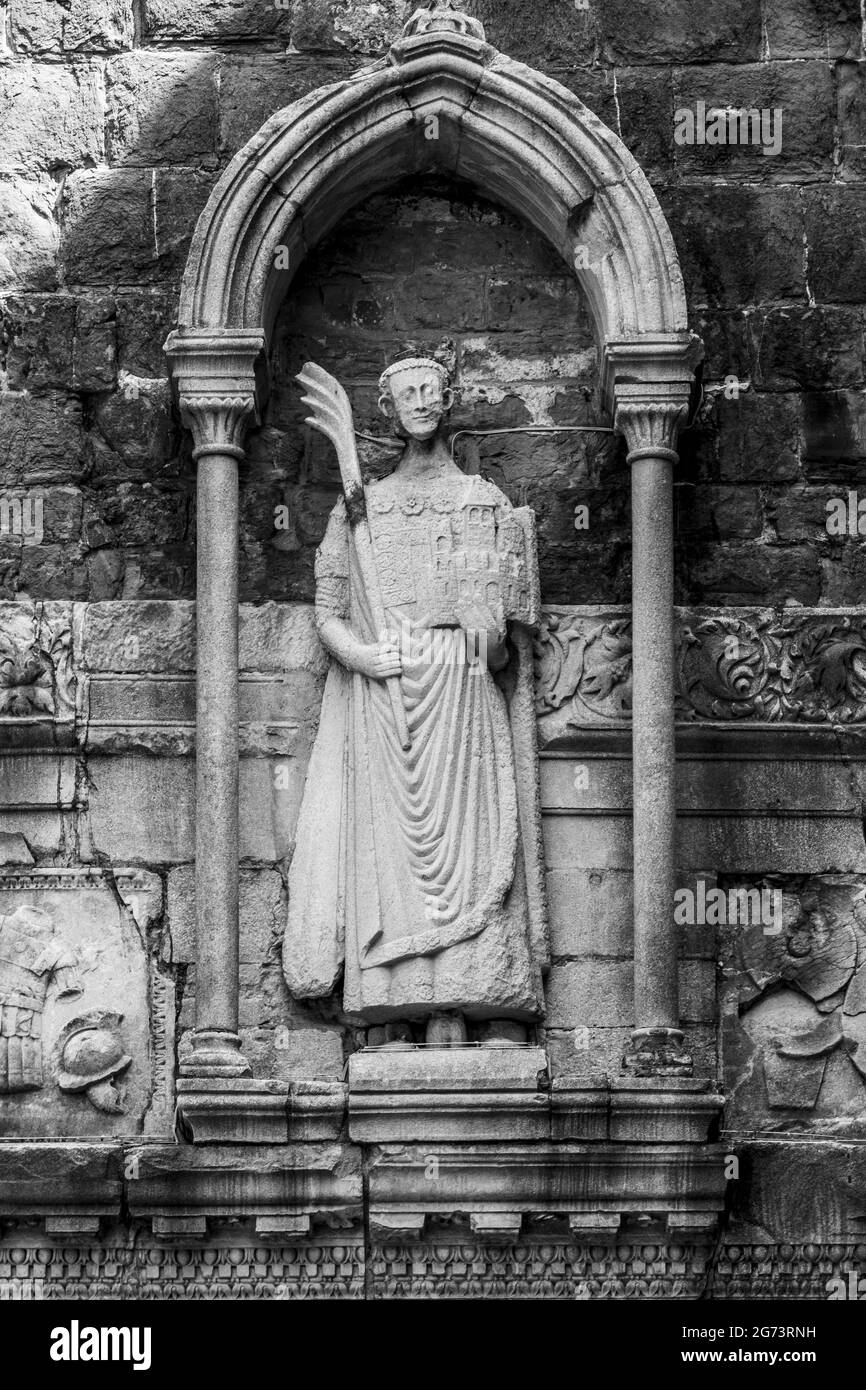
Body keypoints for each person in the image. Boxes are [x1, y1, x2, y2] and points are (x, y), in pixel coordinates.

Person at [282, 356, 549, 1042]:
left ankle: (483, 993)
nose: (422, 400)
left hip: (462, 689)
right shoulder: (362, 507)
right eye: (408, 392)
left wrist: (488, 637)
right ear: (388, 409)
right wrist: (364, 656)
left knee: (476, 834)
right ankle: (398, 1001)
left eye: (432, 389)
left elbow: (504, 637)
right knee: (390, 849)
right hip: (387, 695)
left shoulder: (481, 501)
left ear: (450, 399)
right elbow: (329, 611)